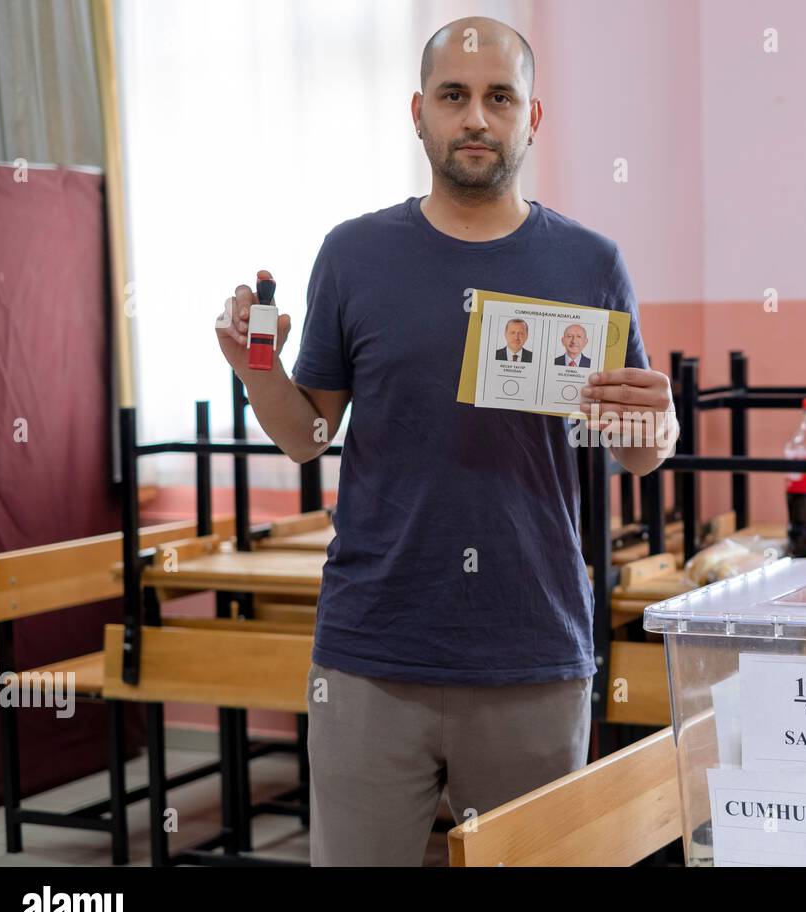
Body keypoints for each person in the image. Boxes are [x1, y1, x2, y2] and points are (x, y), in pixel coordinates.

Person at [213, 15, 677, 866]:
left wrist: (662, 422)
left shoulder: (591, 263)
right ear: (418, 112)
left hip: (534, 649)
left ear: (532, 118)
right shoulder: (354, 255)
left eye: (500, 98)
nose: (475, 118)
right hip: (370, 651)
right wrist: (257, 372)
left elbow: (638, 449)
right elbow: (309, 436)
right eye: (454, 97)